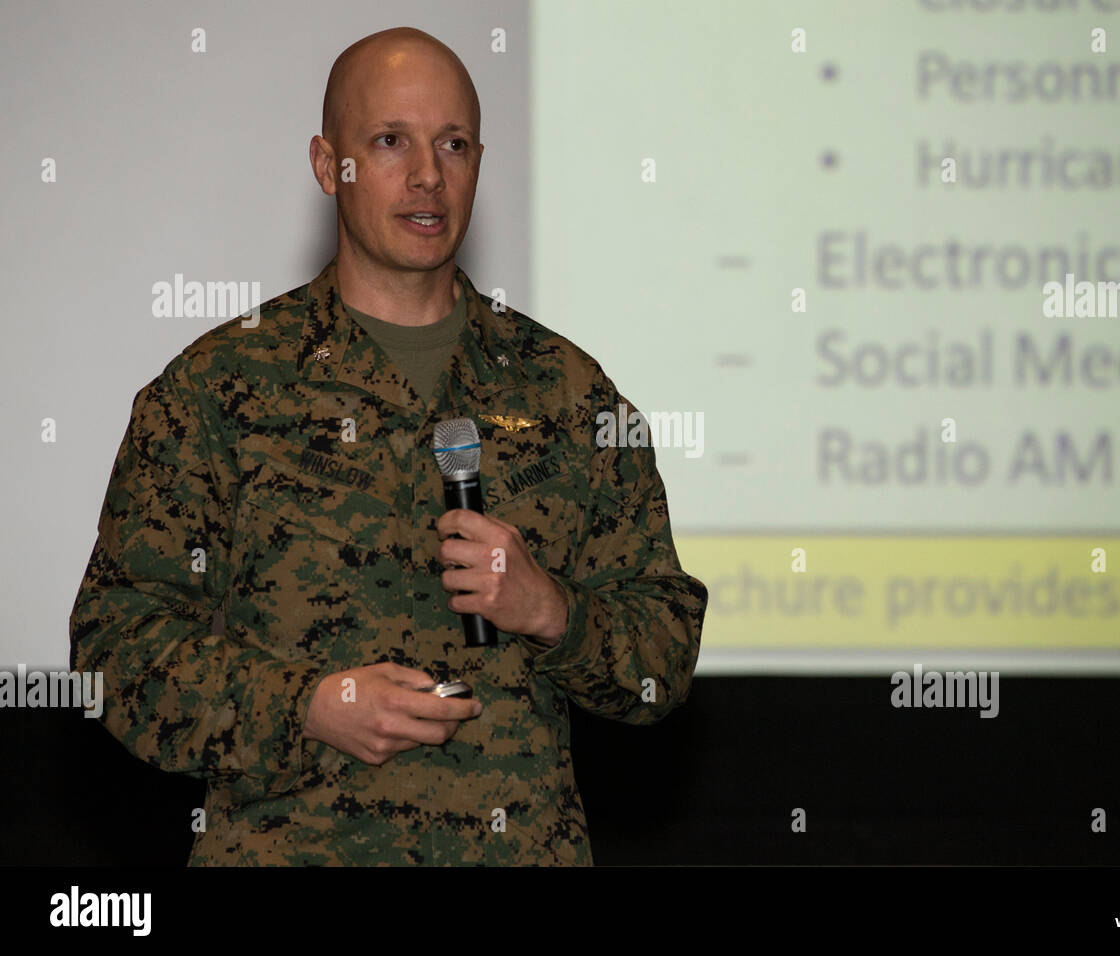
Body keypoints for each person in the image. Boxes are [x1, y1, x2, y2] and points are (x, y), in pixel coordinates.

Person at [68, 27, 707, 866]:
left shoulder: (566, 390)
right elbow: (115, 649)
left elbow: (661, 655)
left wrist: (552, 610)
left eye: (452, 144)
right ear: (326, 163)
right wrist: (304, 705)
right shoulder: (219, 389)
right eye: (389, 142)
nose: (427, 177)